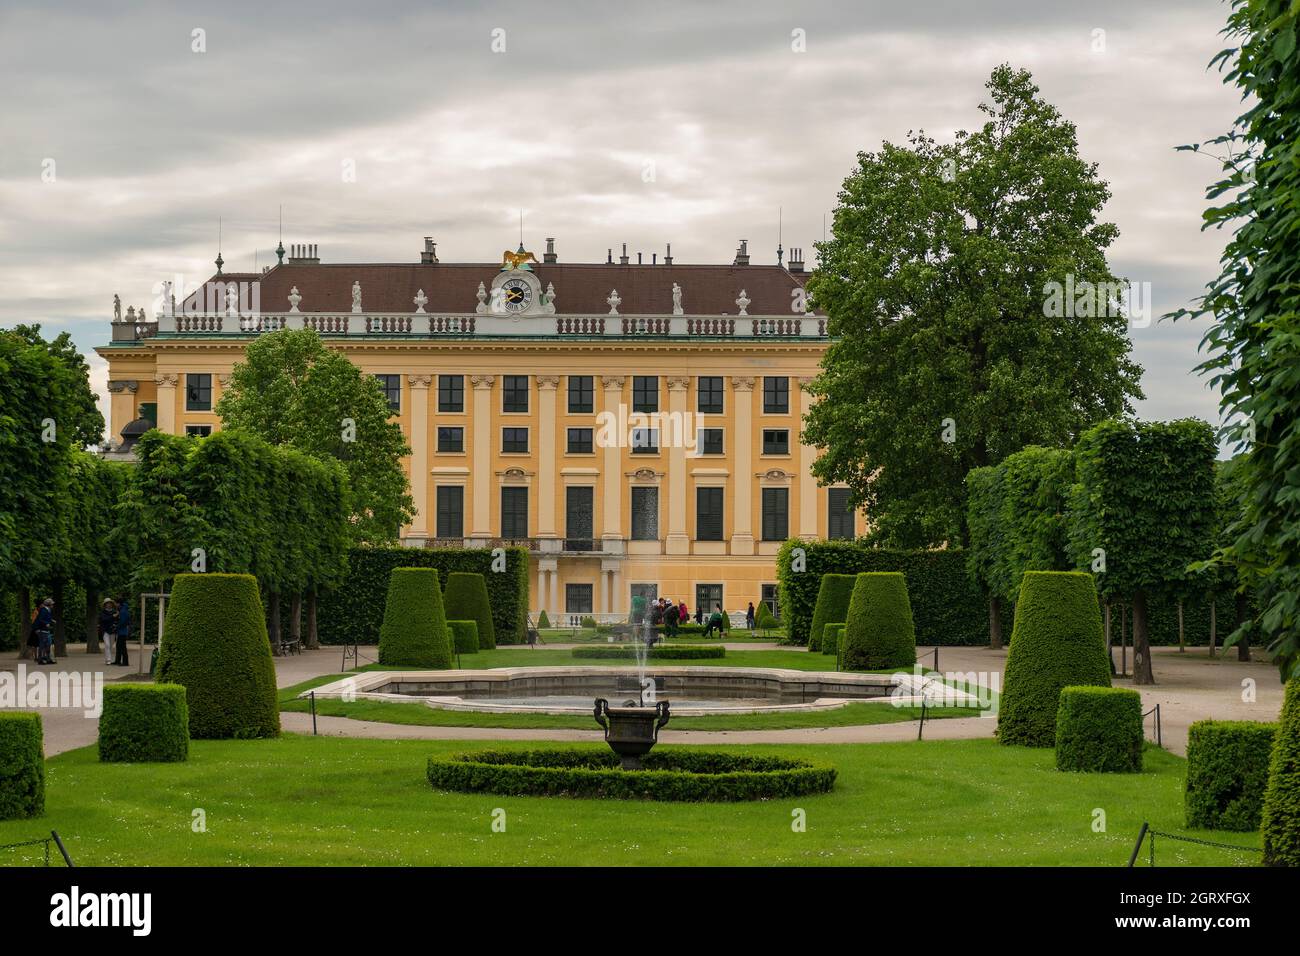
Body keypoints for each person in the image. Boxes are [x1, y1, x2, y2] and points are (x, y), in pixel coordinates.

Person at [33, 598, 55, 665]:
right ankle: (40, 660)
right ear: (49, 605)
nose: (53, 606)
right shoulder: (43, 610)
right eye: (52, 604)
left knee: (48, 644)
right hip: (41, 629)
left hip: (45, 630)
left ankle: (48, 659)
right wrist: (46, 623)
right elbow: (40, 619)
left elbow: (45, 618)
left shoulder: (47, 610)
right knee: (42, 645)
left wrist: (51, 621)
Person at [113, 595, 131, 667]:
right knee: (119, 646)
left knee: (122, 647)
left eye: (116, 603)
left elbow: (123, 622)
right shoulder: (123, 609)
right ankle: (118, 660)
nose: (115, 605)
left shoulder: (123, 611)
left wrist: (116, 626)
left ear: (118, 603)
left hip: (122, 631)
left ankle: (125, 662)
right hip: (122, 631)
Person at [99, 599, 118, 665]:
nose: (109, 604)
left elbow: (117, 620)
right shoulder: (103, 612)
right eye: (107, 603)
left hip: (112, 631)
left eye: (110, 603)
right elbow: (104, 619)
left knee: (110, 646)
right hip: (105, 631)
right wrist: (112, 616)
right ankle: (108, 659)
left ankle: (108, 658)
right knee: (107, 645)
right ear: (105, 605)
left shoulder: (114, 611)